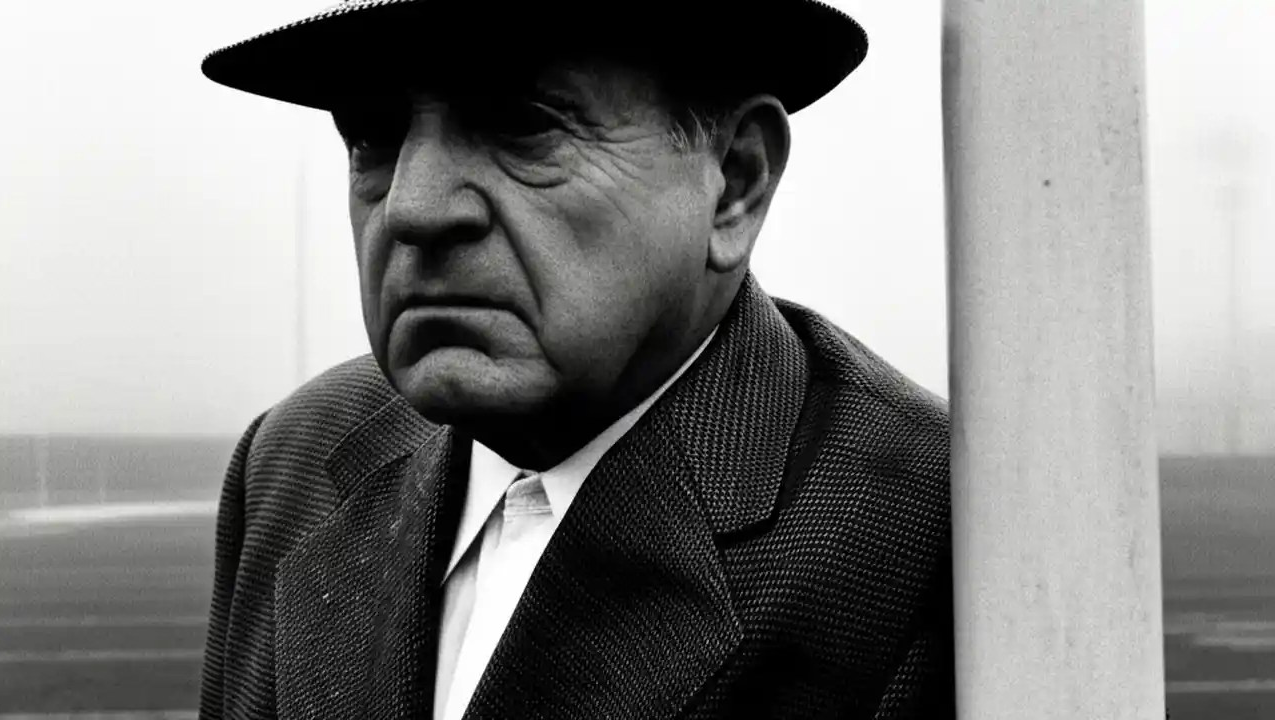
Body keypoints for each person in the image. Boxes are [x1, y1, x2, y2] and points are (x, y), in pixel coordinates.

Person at [197, 1, 953, 717]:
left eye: (522, 124)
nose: (413, 206)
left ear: (735, 183)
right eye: (373, 136)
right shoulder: (292, 456)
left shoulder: (939, 540)